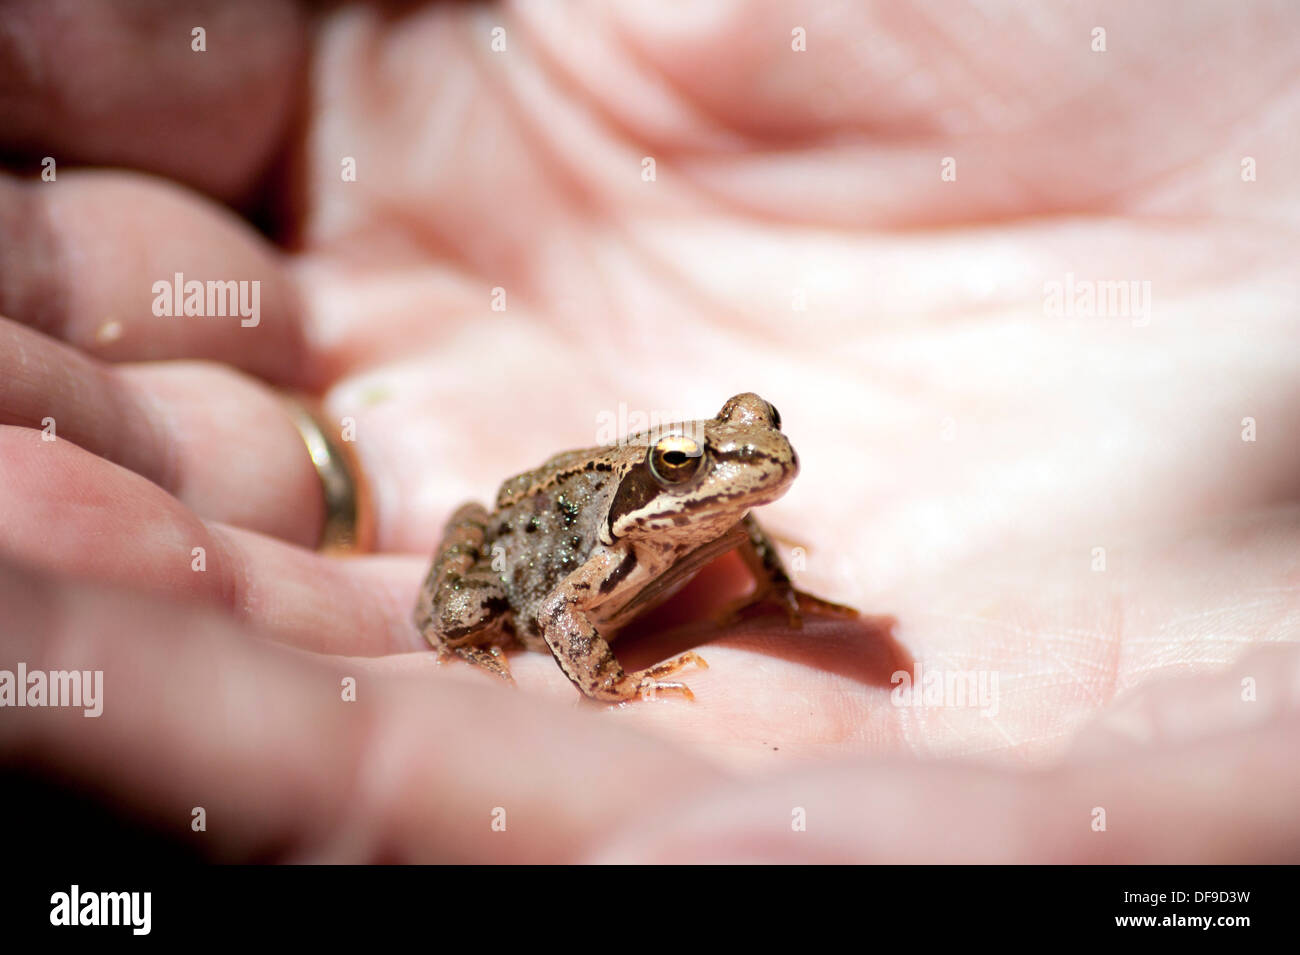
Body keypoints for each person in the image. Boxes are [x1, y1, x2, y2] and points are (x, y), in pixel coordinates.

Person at [0, 0, 1296, 862]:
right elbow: (566, 612)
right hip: (524, 528)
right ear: (659, 482)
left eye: (749, 442)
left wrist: (775, 590)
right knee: (468, 614)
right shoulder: (613, 543)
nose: (739, 471)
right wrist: (608, 680)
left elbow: (750, 519)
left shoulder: (729, 504)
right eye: (696, 466)